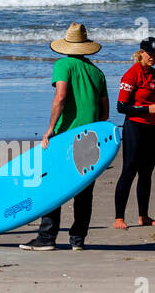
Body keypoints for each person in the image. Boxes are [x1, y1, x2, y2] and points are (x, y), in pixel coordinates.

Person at [19, 23, 110, 252]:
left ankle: (47, 238)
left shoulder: (63, 65)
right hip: (91, 139)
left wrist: (50, 129)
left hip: (65, 137)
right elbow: (105, 112)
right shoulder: (97, 73)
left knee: (53, 186)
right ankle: (78, 240)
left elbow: (60, 97)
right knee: (84, 192)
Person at [113, 37, 155, 229]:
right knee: (129, 170)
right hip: (134, 127)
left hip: (153, 127)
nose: (153, 57)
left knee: (146, 172)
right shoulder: (131, 74)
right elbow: (121, 107)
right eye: (150, 54)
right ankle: (119, 218)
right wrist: (146, 109)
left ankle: (143, 216)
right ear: (141, 53)